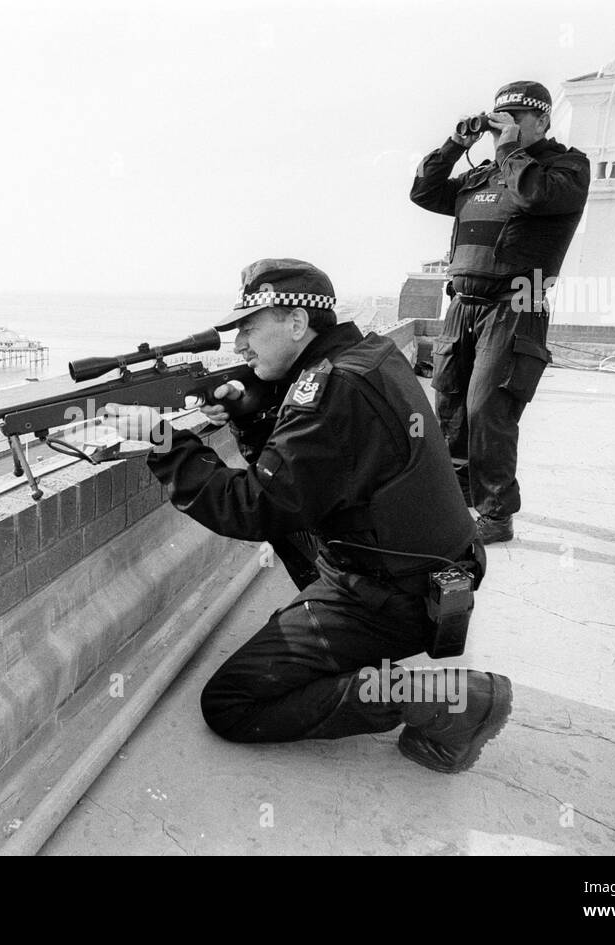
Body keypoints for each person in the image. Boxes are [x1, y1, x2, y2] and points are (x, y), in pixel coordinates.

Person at [101, 259, 512, 773]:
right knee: (292, 524)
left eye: (250, 329)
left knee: (230, 705)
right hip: (434, 571)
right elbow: (306, 473)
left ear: (297, 323)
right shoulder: (365, 356)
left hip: (391, 595)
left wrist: (165, 441)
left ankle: (448, 698)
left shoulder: (325, 391)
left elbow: (254, 507)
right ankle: (342, 646)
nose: (241, 347)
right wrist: (253, 412)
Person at [410, 80, 590, 543]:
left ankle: (495, 514)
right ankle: (457, 499)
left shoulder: (565, 168)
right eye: (498, 122)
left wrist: (509, 151)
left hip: (518, 299)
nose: (502, 131)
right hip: (463, 302)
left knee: (489, 406)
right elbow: (424, 192)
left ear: (543, 121)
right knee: (449, 403)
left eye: (515, 121)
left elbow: (533, 196)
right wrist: (455, 145)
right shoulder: (482, 175)